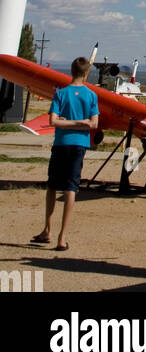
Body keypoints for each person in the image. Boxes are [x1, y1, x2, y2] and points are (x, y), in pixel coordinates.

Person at [31, 56, 99, 250]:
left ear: (71, 71)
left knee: (53, 185)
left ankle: (47, 230)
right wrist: (81, 123)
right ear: (86, 74)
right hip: (79, 145)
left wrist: (66, 121)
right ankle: (62, 237)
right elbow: (93, 123)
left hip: (61, 143)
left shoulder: (61, 94)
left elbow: (53, 121)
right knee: (71, 188)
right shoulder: (91, 96)